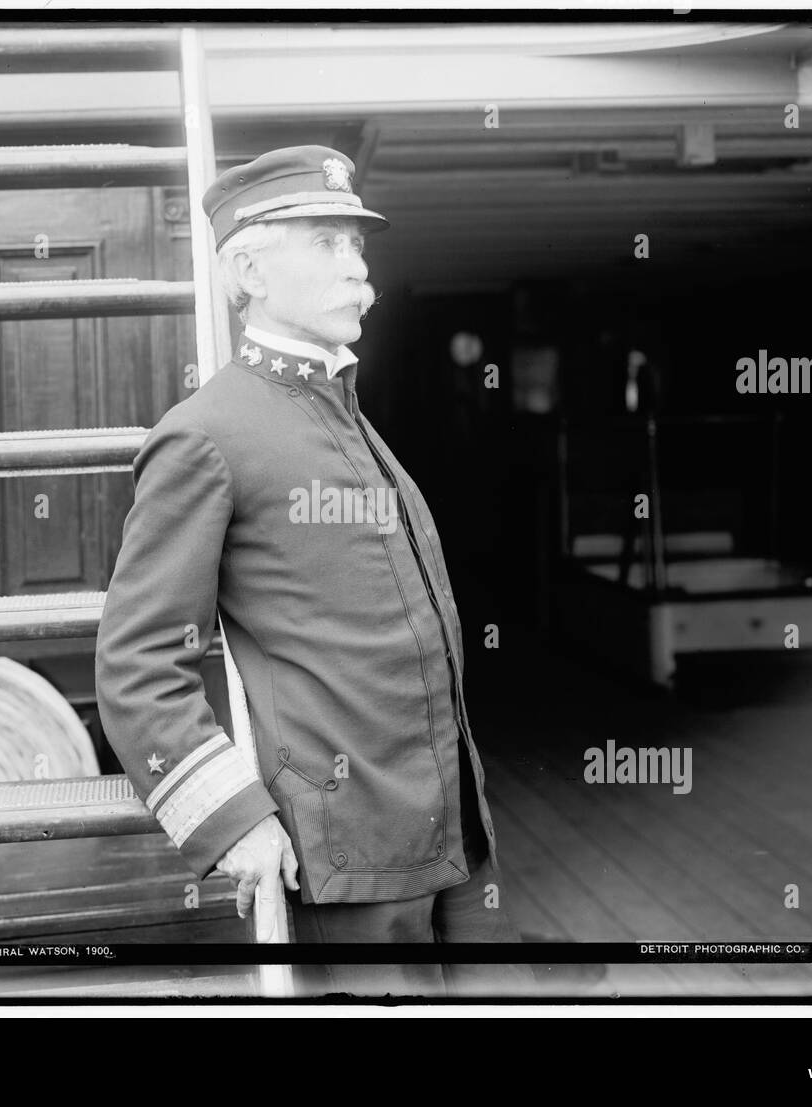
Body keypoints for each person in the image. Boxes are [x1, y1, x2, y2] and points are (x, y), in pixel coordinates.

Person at [95, 145, 533, 996]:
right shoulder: (207, 434)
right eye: (327, 243)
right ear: (248, 267)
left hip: (453, 832)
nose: (359, 274)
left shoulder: (351, 417)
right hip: (345, 855)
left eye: (360, 249)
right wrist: (236, 823)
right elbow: (138, 664)